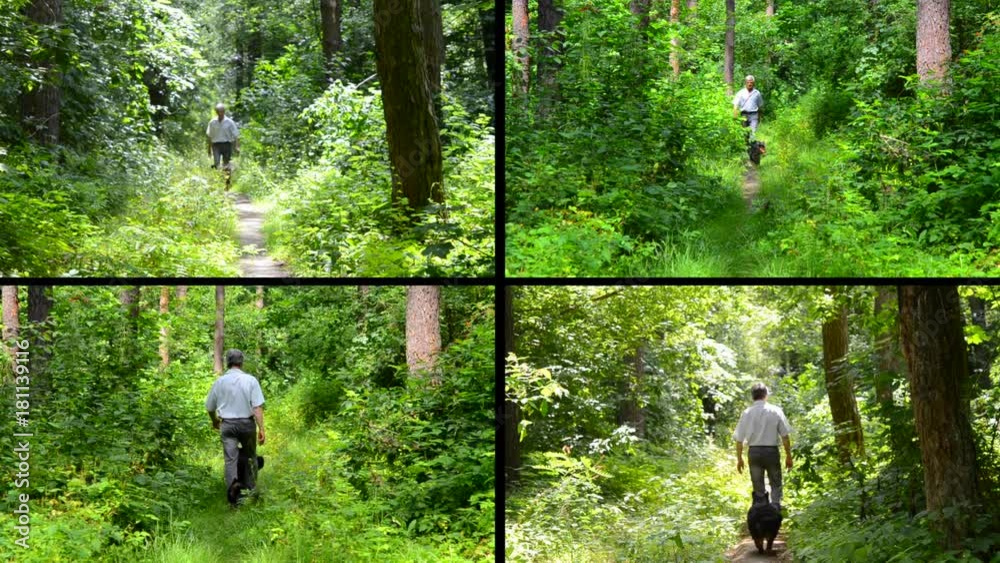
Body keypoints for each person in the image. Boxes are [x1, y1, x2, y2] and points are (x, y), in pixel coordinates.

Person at [205, 349, 266, 507]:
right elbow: (257, 407)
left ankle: (234, 500)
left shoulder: (220, 382)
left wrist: (215, 421)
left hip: (227, 425)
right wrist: (261, 429)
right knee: (251, 456)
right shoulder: (251, 380)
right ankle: (251, 492)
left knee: (230, 461)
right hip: (247, 424)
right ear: (241, 362)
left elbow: (210, 407)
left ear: (227, 362)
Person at [734, 382, 792, 507]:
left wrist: (739, 459)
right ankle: (776, 507)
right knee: (775, 482)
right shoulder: (776, 411)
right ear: (766, 395)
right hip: (771, 452)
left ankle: (761, 509)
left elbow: (739, 440)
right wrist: (788, 455)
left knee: (757, 484)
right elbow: (785, 436)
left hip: (754, 452)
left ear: (752, 396)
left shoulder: (747, 413)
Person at [206, 103, 240, 171]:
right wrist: (209, 149)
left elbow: (236, 135)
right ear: (216, 112)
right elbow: (210, 136)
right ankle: (218, 175)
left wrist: (237, 146)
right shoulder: (212, 122)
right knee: (217, 163)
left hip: (227, 144)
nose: (220, 113)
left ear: (224, 111)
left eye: (221, 111)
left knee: (226, 164)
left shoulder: (230, 122)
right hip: (216, 145)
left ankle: (226, 179)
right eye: (218, 111)